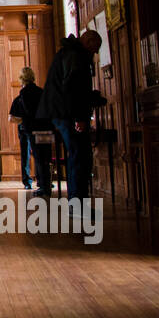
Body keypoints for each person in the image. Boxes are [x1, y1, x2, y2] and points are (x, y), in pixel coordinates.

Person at [36, 30, 103, 200]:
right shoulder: (75, 55)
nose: (94, 53)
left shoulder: (69, 52)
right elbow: (74, 88)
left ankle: (77, 200)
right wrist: (80, 117)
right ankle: (77, 201)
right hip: (67, 113)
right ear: (88, 41)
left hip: (61, 112)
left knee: (78, 154)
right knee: (79, 155)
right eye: (94, 49)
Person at [8, 67, 45, 191]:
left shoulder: (21, 97)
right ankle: (42, 180)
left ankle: (27, 181)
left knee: (26, 154)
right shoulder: (40, 92)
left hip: (25, 128)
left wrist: (24, 120)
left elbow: (11, 118)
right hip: (40, 127)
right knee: (40, 154)